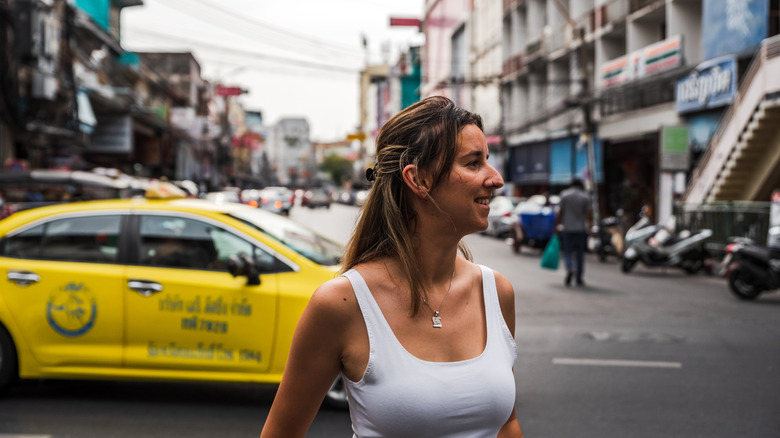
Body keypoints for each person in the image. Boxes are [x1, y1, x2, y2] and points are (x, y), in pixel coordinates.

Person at [260, 96, 523, 438]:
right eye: (473, 163)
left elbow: (506, 424)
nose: (496, 178)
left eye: (488, 161)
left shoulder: (496, 293)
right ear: (419, 180)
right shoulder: (342, 304)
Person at [555, 178, 593, 286]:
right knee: (580, 254)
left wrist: (557, 226)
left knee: (568, 252)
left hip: (567, 228)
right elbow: (589, 215)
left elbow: (560, 212)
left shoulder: (564, 195)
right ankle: (579, 277)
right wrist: (590, 229)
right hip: (581, 229)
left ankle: (570, 268)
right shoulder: (585, 196)